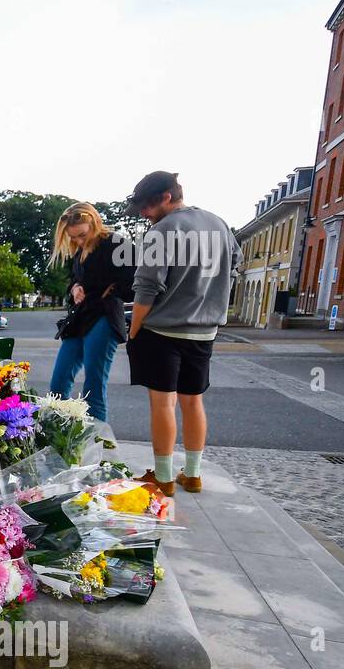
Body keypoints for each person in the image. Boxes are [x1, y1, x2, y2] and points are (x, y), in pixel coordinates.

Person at [125, 171, 239, 495]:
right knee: (194, 402)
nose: (144, 215)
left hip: (162, 331)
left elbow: (146, 288)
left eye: (146, 207)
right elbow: (234, 266)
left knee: (163, 404)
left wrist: (134, 332)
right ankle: (193, 474)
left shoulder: (162, 231)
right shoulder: (219, 225)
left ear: (165, 197)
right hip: (204, 332)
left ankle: (162, 477)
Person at [47, 202, 134, 422]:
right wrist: (75, 288)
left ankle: (96, 447)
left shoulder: (116, 243)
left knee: (93, 388)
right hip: (80, 318)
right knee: (58, 383)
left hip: (104, 317)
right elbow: (75, 279)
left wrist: (112, 289)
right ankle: (58, 437)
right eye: (72, 237)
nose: (78, 241)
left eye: (82, 235)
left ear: (94, 222)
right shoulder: (79, 251)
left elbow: (134, 283)